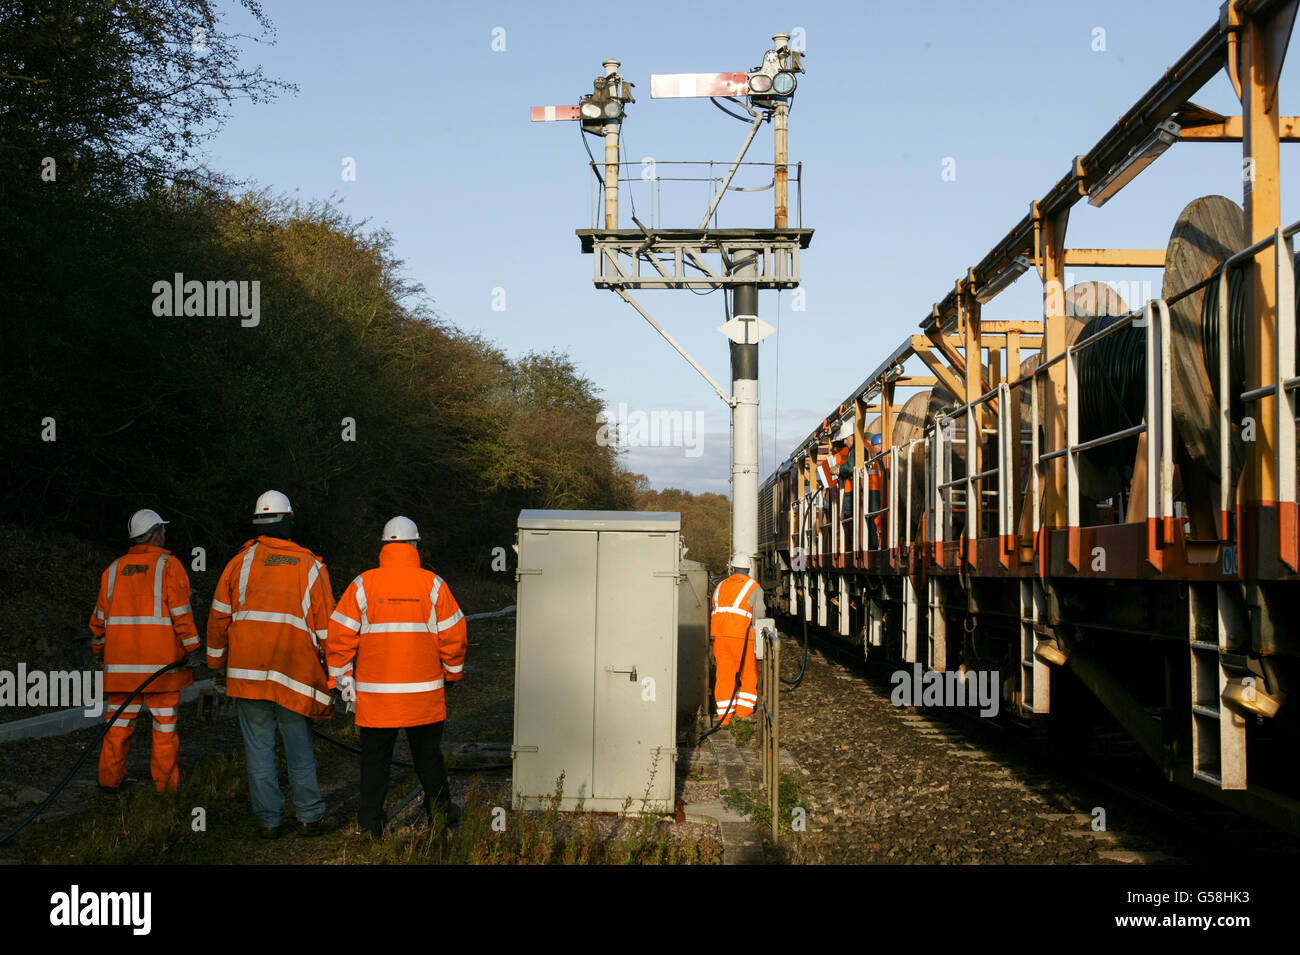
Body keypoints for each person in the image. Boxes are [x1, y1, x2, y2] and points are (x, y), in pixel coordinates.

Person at [207, 491, 337, 839]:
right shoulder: (310, 566)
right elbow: (327, 627)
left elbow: (219, 616)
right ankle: (309, 815)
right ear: (289, 521)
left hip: (248, 675)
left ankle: (268, 821)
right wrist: (336, 671)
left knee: (258, 748)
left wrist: (215, 662)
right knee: (299, 744)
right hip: (293, 674)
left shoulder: (240, 563)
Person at [326, 517, 467, 837]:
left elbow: (339, 636)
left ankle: (370, 822)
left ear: (384, 547)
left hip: (377, 697)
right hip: (424, 693)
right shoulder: (433, 585)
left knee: (374, 759)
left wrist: (340, 679)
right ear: (415, 545)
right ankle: (440, 814)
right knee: (428, 756)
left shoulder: (363, 584)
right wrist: (452, 672)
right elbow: (454, 634)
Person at [89, 508, 201, 794]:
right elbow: (181, 614)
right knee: (164, 728)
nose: (165, 534)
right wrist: (193, 649)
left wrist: (99, 649)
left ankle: (109, 781)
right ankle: (165, 786)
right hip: (161, 669)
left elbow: (99, 619)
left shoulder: (113, 570)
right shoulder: (169, 566)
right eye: (163, 530)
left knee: (118, 724)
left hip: (122, 670)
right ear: (155, 534)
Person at [709, 552, 765, 725]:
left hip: (719, 636)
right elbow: (759, 616)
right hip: (741, 635)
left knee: (724, 674)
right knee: (748, 673)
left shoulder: (720, 585)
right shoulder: (754, 587)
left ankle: (724, 717)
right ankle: (743, 713)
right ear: (749, 569)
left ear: (732, 568)